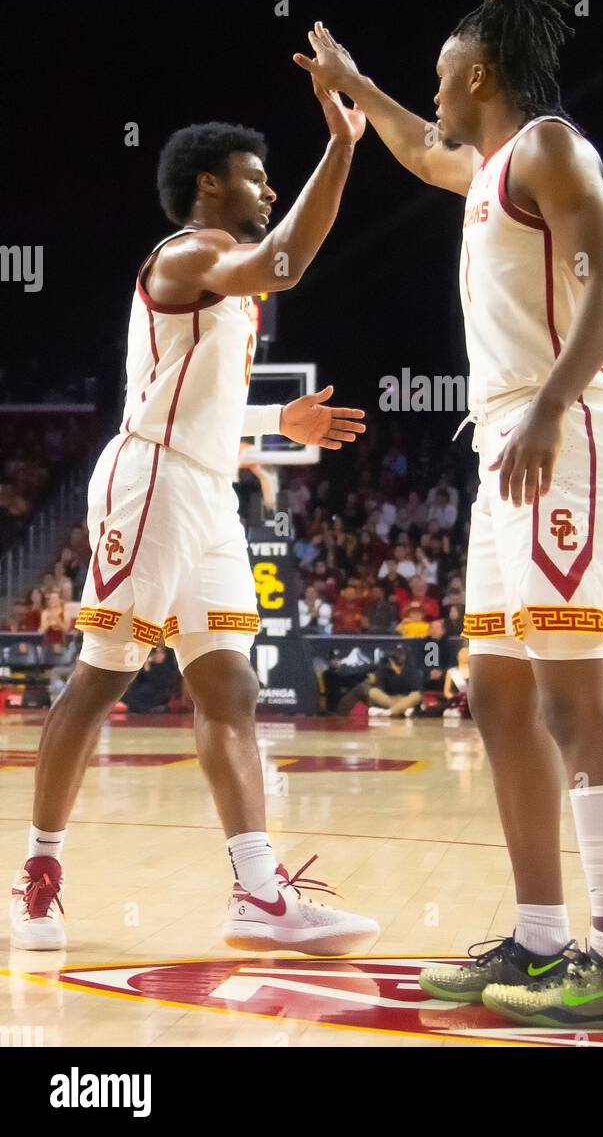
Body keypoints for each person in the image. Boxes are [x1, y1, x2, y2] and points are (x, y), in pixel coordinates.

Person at [295, 0, 603, 1030]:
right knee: (498, 695)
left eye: (442, 73)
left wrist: (550, 406)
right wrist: (353, 86)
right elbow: (418, 147)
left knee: (575, 698)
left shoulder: (550, 148)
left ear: (481, 75)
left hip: (567, 428)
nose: (433, 88)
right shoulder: (485, 166)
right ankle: (541, 938)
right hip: (506, 440)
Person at [10, 88, 380, 956]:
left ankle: (257, 893)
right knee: (100, 678)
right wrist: (343, 144)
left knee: (229, 687)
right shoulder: (187, 253)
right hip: (151, 484)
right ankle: (38, 876)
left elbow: (198, 396)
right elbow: (287, 259)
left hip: (211, 489)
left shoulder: (220, 280)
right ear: (209, 186)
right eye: (255, 180)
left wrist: (271, 428)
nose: (267, 191)